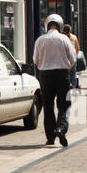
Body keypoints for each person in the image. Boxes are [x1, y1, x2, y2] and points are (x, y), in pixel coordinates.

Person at [33, 13, 76, 146]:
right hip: (62, 74)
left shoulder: (40, 40)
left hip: (45, 75)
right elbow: (73, 58)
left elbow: (36, 60)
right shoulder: (64, 39)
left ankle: (50, 137)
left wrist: (43, 67)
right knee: (64, 104)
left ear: (47, 26)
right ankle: (60, 128)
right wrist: (66, 67)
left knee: (48, 106)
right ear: (60, 25)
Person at [62, 23, 81, 90]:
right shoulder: (74, 37)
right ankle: (73, 88)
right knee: (73, 73)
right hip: (72, 57)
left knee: (64, 73)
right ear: (70, 30)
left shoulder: (61, 38)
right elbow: (77, 49)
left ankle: (65, 87)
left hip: (64, 57)